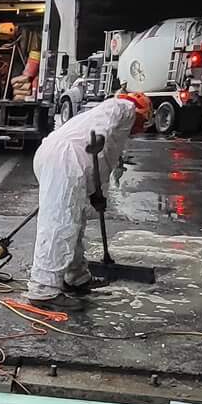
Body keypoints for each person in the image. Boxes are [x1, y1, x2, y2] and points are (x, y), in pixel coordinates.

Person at [25, 92, 153, 312]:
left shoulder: (120, 129)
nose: (140, 130)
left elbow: (103, 162)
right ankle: (43, 290)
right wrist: (100, 135)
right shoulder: (123, 108)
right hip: (66, 161)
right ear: (142, 113)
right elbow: (105, 124)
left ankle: (76, 277)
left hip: (65, 159)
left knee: (74, 221)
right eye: (144, 123)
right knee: (59, 225)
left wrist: (97, 194)